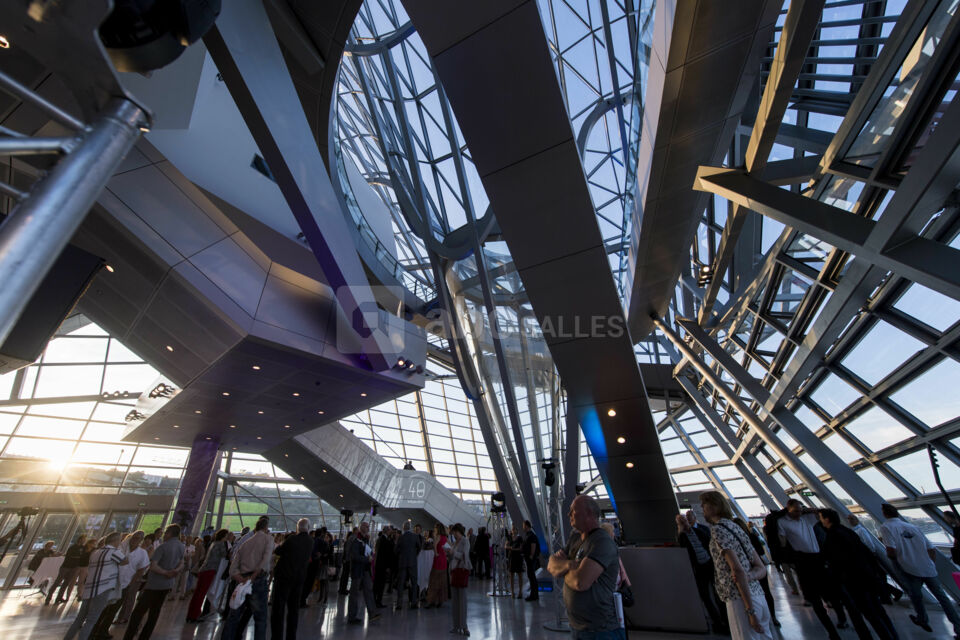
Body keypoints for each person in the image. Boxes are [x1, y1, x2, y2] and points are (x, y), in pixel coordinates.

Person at [700, 491, 774, 640]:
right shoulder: (736, 528)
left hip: (740, 598)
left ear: (714, 506)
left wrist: (750, 610)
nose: (702, 509)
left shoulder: (718, 530)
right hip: (758, 595)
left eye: (704, 506)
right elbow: (760, 567)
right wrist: (749, 576)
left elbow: (737, 570)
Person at [547, 494, 623, 640]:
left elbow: (580, 582)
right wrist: (570, 565)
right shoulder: (575, 538)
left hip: (600, 631)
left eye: (573, 510)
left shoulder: (602, 542)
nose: (569, 514)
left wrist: (563, 570)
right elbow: (551, 565)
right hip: (577, 628)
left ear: (588, 513)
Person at [879, 503, 960, 636]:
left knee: (915, 595)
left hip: (908, 567)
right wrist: (930, 564)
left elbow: (891, 552)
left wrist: (896, 559)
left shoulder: (886, 527)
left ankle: (922, 619)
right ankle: (957, 625)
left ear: (885, 514)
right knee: (942, 598)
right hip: (927, 567)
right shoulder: (913, 527)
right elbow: (931, 549)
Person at [818, 509, 899, 640]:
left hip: (854, 580)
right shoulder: (848, 532)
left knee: (869, 613)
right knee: (878, 611)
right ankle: (892, 636)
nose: (820, 521)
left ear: (827, 519)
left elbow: (837, 561)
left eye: (821, 518)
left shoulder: (833, 536)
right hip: (867, 577)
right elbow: (865, 551)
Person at [776, 499, 844, 639]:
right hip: (803, 561)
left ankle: (841, 618)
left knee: (830, 592)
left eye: (800, 510)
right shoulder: (783, 522)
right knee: (815, 599)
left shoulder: (807, 518)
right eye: (795, 511)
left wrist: (805, 510)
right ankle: (831, 631)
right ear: (788, 510)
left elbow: (820, 511)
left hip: (817, 558)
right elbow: (782, 541)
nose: (799, 513)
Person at [122, 524, 184, 640]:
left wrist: (165, 572)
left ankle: (128, 636)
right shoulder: (181, 546)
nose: (164, 535)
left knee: (138, 613)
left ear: (169, 533)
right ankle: (144, 636)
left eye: (165, 533)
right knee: (155, 612)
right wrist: (174, 571)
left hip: (154, 585)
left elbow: (153, 566)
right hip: (167, 585)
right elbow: (182, 562)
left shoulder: (163, 547)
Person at [63, 531, 128, 640]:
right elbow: (125, 561)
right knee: (91, 620)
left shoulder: (96, 552)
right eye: (119, 540)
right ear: (116, 541)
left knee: (79, 618)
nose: (119, 542)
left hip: (89, 588)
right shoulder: (114, 552)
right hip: (103, 589)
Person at [90, 530, 149, 638]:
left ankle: (103, 630)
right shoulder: (120, 548)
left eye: (139, 538)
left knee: (114, 609)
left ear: (141, 540)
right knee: (103, 607)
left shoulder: (142, 553)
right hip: (111, 582)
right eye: (135, 537)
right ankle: (94, 629)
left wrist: (132, 582)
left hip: (125, 584)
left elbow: (142, 568)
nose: (136, 539)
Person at [222, 516, 273, 640]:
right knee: (260, 619)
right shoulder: (268, 539)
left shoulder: (245, 543)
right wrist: (253, 577)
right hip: (258, 581)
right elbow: (265, 560)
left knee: (233, 616)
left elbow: (232, 569)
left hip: (242, 581)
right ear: (266, 528)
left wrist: (242, 580)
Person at [676, 513, 728, 634]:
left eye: (685, 519)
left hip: (709, 565)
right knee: (706, 595)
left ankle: (724, 620)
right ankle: (717, 621)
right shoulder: (682, 536)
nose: (685, 522)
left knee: (717, 593)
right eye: (681, 521)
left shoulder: (700, 531)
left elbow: (709, 544)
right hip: (699, 568)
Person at [846, 514, 904, 603]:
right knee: (874, 577)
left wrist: (871, 554)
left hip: (867, 557)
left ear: (856, 520)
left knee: (873, 578)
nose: (850, 521)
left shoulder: (860, 530)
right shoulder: (856, 531)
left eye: (852, 519)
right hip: (866, 557)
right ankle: (890, 593)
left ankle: (891, 593)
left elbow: (869, 543)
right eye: (849, 519)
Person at [272, 518, 313, 640]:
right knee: (293, 610)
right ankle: (291, 636)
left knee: (278, 609)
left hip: (284, 578)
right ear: (308, 528)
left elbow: (278, 551)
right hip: (299, 579)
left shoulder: (292, 539)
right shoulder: (310, 541)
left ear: (297, 528)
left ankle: (277, 636)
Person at [187, 528, 228, 622]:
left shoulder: (213, 543)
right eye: (226, 536)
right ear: (223, 536)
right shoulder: (221, 544)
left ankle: (191, 614)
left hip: (204, 569)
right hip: (210, 570)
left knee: (197, 593)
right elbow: (225, 555)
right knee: (201, 593)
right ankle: (195, 615)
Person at [347, 521, 380, 625]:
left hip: (365, 570)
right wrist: (367, 559)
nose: (368, 528)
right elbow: (354, 556)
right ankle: (352, 616)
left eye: (368, 526)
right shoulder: (355, 540)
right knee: (354, 593)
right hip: (357, 570)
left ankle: (372, 613)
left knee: (368, 590)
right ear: (361, 527)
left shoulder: (366, 539)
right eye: (366, 526)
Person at [48, 535, 86, 605]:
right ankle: (49, 596)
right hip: (66, 567)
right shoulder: (72, 547)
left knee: (66, 583)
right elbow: (69, 556)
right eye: (83, 539)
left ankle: (59, 597)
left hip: (74, 567)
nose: (84, 541)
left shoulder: (83, 548)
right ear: (80, 539)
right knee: (57, 582)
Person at [449, 523, 472, 636]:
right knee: (455, 601)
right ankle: (456, 625)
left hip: (461, 571)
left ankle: (464, 626)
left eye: (455, 532)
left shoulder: (465, 541)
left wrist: (454, 553)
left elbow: (465, 557)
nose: (454, 534)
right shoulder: (455, 543)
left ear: (459, 531)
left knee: (462, 600)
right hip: (454, 571)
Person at [394, 521, 422, 610]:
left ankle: (399, 603)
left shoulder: (401, 537)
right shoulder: (415, 536)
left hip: (402, 562)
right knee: (414, 582)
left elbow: (396, 550)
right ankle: (413, 602)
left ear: (403, 528)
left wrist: (401, 555)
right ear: (410, 527)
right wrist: (414, 555)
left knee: (401, 583)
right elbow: (419, 547)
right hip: (412, 562)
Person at [425, 523, 450, 608]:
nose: (434, 529)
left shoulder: (438, 536)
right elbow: (450, 546)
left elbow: (435, 546)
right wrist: (445, 552)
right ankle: (440, 600)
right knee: (442, 580)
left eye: (435, 527)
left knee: (433, 579)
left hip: (438, 559)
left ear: (438, 528)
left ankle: (431, 600)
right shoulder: (445, 537)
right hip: (443, 559)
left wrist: (436, 553)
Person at [373, 525, 395, 608]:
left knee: (377, 583)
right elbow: (386, 555)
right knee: (381, 584)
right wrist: (388, 566)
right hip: (383, 565)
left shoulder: (380, 539)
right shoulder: (385, 541)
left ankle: (375, 599)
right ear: (387, 531)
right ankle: (378, 601)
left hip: (378, 564)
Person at [522, 520, 540, 601]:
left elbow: (533, 545)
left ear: (526, 526)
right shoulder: (528, 535)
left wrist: (531, 555)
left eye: (523, 525)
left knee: (532, 576)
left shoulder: (531, 536)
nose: (523, 527)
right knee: (531, 576)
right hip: (528, 558)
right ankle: (534, 594)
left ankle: (534, 594)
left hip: (530, 559)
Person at [508, 525, 524, 598]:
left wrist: (513, 549)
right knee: (511, 575)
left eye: (515, 529)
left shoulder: (519, 538)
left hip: (518, 558)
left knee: (519, 574)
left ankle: (520, 591)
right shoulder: (510, 538)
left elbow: (521, 548)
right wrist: (510, 548)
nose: (513, 530)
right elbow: (506, 545)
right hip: (512, 558)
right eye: (513, 529)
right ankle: (512, 592)